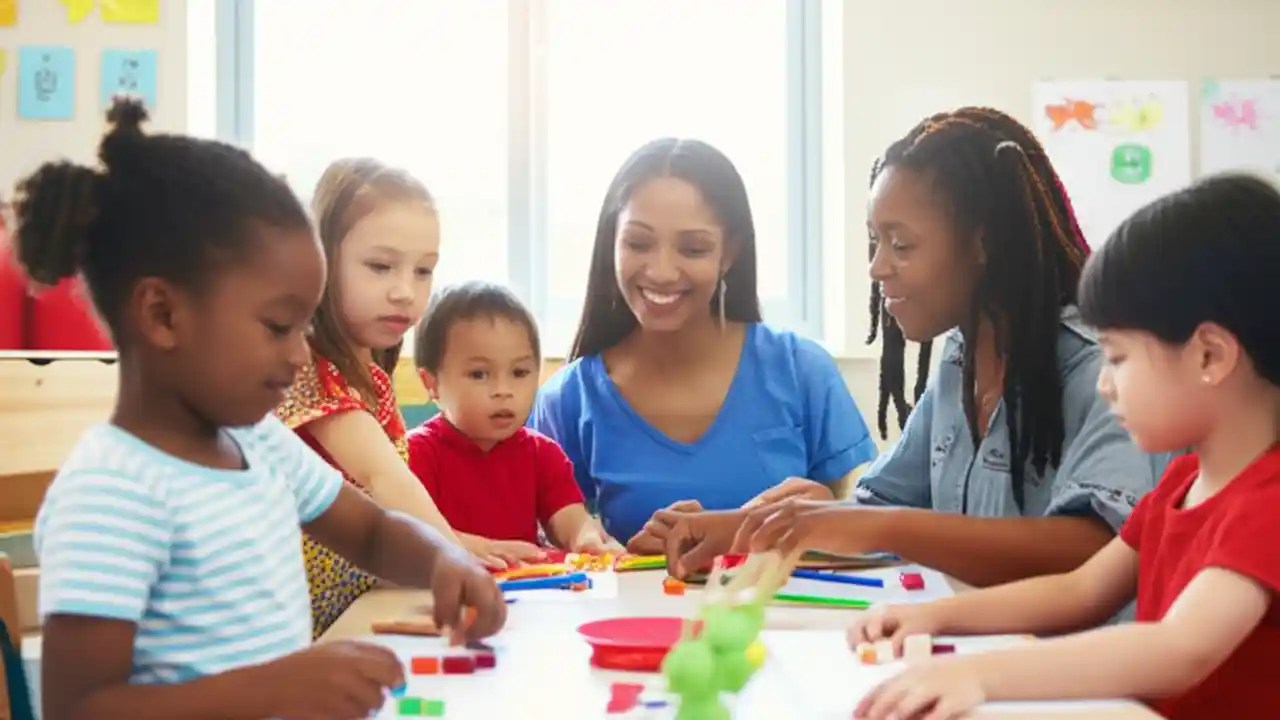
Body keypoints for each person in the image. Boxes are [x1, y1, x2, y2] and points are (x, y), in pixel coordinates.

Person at [17, 100, 504, 720]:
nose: (301, 354)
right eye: (278, 326)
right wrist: (278, 686)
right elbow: (80, 707)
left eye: (305, 326)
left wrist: (445, 560)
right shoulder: (111, 492)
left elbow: (372, 531)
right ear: (163, 315)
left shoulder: (261, 444)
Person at [663, 107, 1171, 587]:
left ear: (983, 244)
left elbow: (1097, 545)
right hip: (978, 650)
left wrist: (884, 528)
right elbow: (881, 508)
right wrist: (735, 530)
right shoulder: (960, 358)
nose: (877, 267)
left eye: (901, 245)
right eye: (874, 242)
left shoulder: (1100, 365)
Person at [850, 173, 1280, 720]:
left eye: (1119, 358)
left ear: (1210, 356)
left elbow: (1180, 649)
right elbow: (1079, 592)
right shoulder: (1183, 483)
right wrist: (934, 617)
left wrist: (980, 674)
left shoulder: (1266, 503)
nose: (1104, 383)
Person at [529, 138, 879, 546]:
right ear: (613, 242)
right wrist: (620, 559)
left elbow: (865, 524)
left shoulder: (802, 371)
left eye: (693, 248)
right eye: (638, 243)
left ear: (729, 252)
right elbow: (545, 551)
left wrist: (828, 513)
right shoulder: (569, 399)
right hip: (639, 611)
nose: (661, 272)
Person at [274, 158, 501, 637]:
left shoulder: (370, 375)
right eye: (380, 267)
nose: (405, 292)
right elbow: (384, 479)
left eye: (423, 271)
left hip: (354, 611)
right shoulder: (310, 369)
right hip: (297, 629)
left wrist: (461, 543)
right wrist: (454, 561)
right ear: (320, 260)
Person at [408, 281, 623, 554]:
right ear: (432, 384)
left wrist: (587, 539)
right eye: (479, 374)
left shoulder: (543, 454)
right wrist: (475, 548)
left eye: (520, 373)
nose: (504, 391)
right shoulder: (415, 454)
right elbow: (411, 535)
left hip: (525, 592)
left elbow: (572, 522)